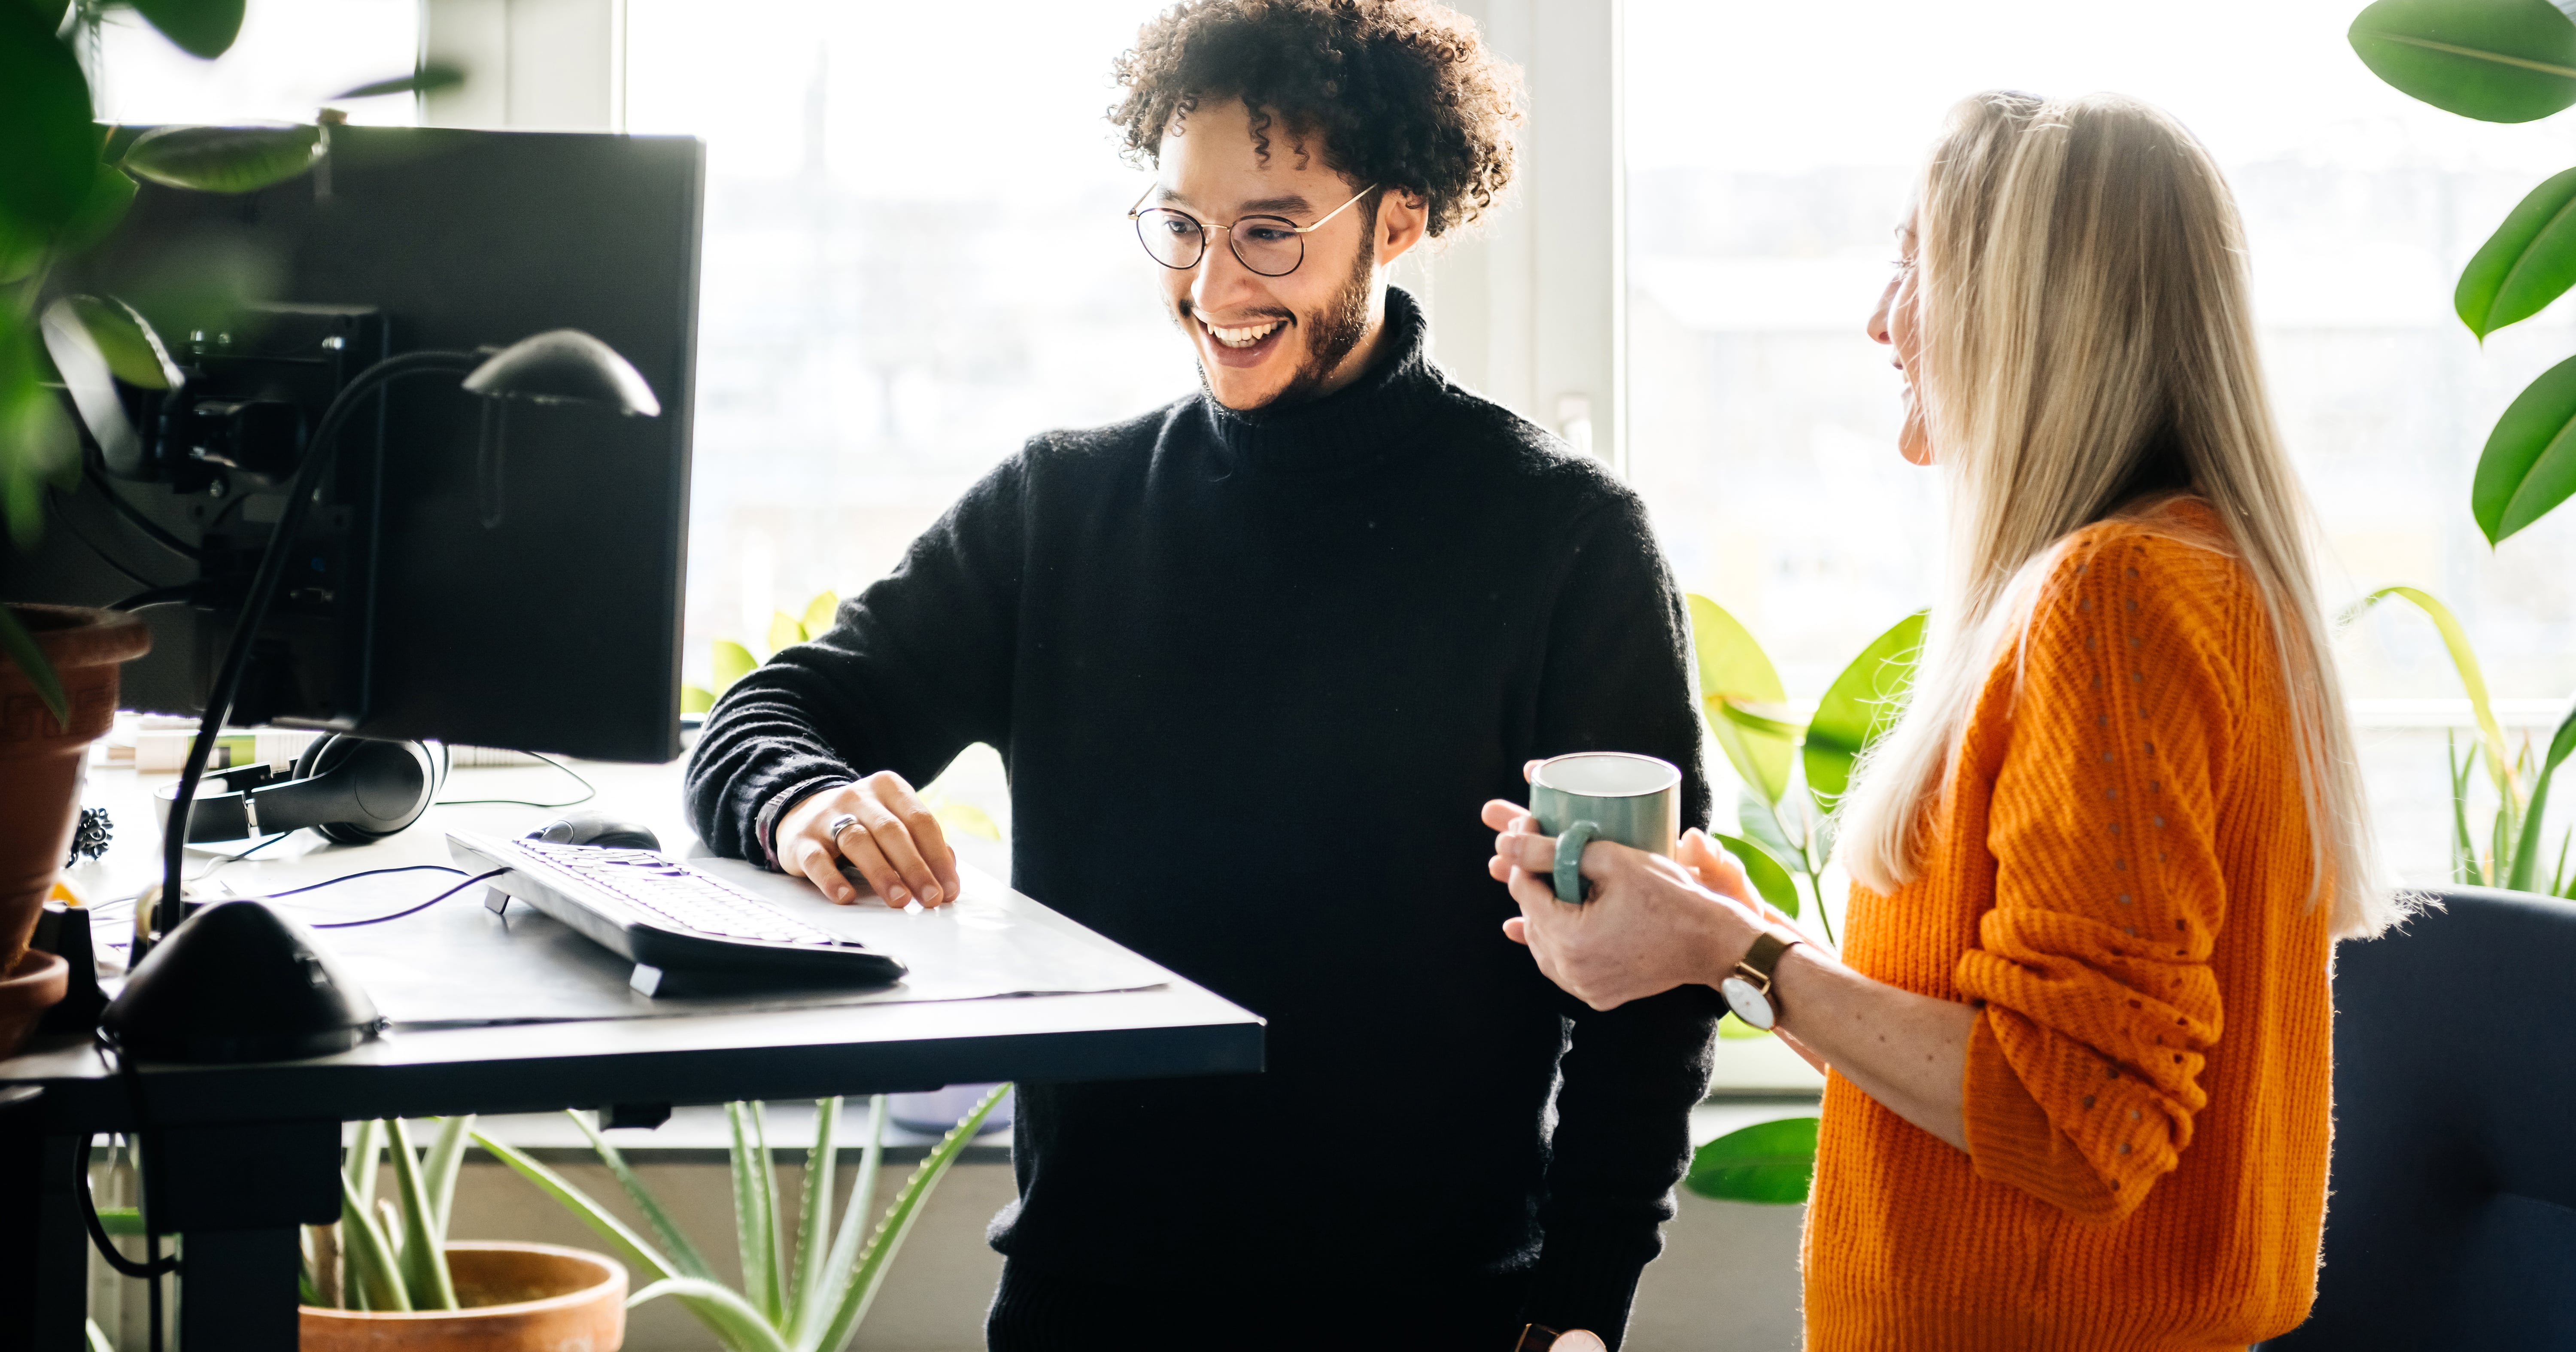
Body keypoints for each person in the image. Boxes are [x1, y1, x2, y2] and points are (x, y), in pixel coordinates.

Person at [685, 3, 1716, 1347]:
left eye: (1272, 231)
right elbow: (767, 717)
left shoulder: (1564, 537)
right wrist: (807, 805)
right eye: (1180, 226)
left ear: (1398, 220)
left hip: (1438, 1316)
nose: (1216, 286)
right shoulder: (1063, 509)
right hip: (1087, 1304)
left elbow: (1653, 975)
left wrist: (1582, 1309)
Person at [1484, 91, 2409, 1350]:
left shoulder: (2115, 600)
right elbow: (2011, 1059)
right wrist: (1734, 931)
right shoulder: (2211, 574)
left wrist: (1729, 958)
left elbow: (2078, 1119)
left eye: (1915, 261)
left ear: (2035, 308)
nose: (1880, 318)